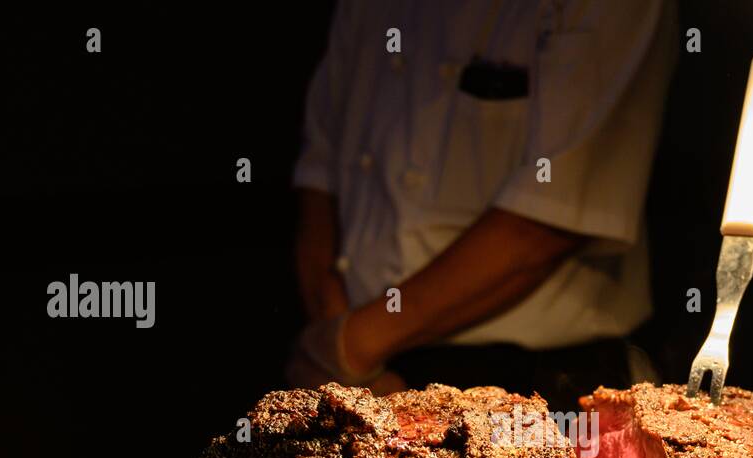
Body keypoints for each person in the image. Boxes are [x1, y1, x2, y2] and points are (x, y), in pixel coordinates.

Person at [287, 0, 677, 407]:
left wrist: (351, 345)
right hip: (353, 362)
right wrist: (332, 340)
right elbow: (319, 170)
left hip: (540, 385)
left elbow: (551, 220)